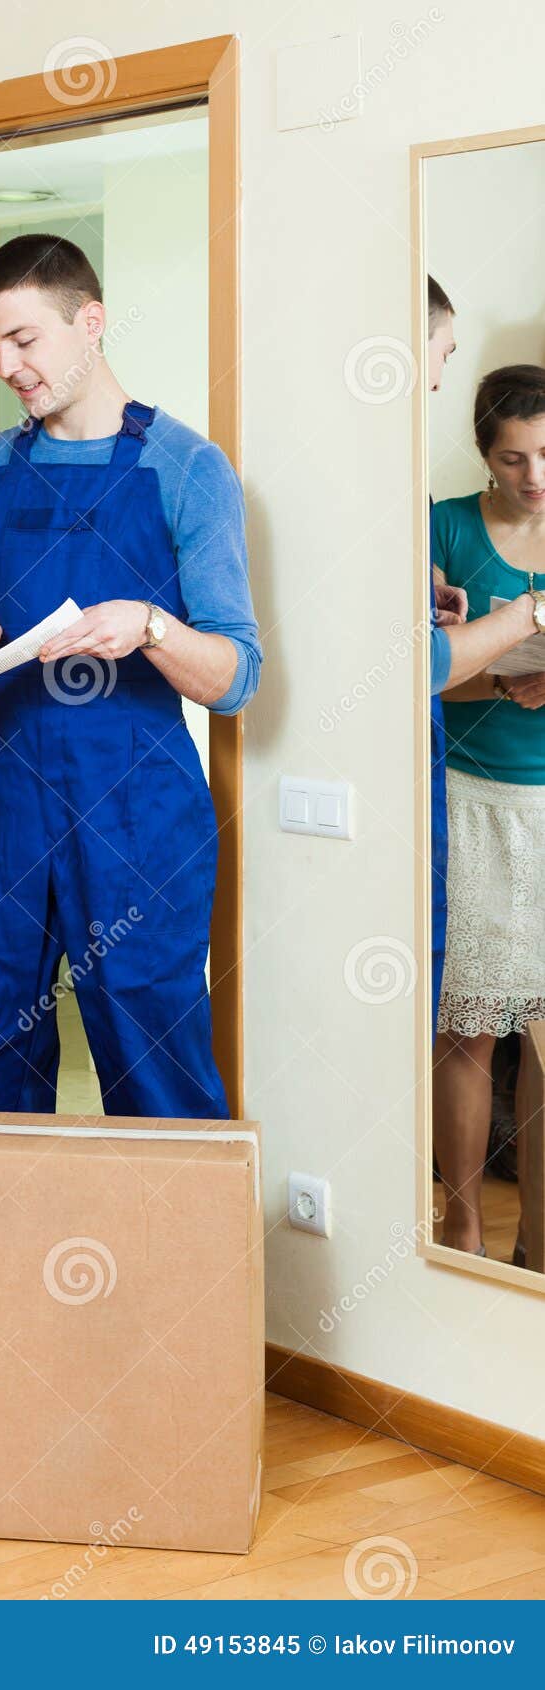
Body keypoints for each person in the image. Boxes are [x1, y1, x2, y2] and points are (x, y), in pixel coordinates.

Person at [0, 234, 261, 1120]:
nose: (7, 367)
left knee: (155, 1055)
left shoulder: (186, 467)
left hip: (138, 812)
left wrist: (151, 626)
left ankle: (177, 1262)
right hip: (2, 804)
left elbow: (236, 675)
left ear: (90, 321)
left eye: (23, 340)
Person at [431, 364, 545, 1258]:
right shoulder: (442, 529)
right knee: (469, 1030)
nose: (535, 477)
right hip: (471, 803)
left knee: (543, 1040)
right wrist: (508, 675)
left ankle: (538, 1240)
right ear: (484, 454)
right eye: (514, 458)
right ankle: (461, 1222)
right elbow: (415, 680)